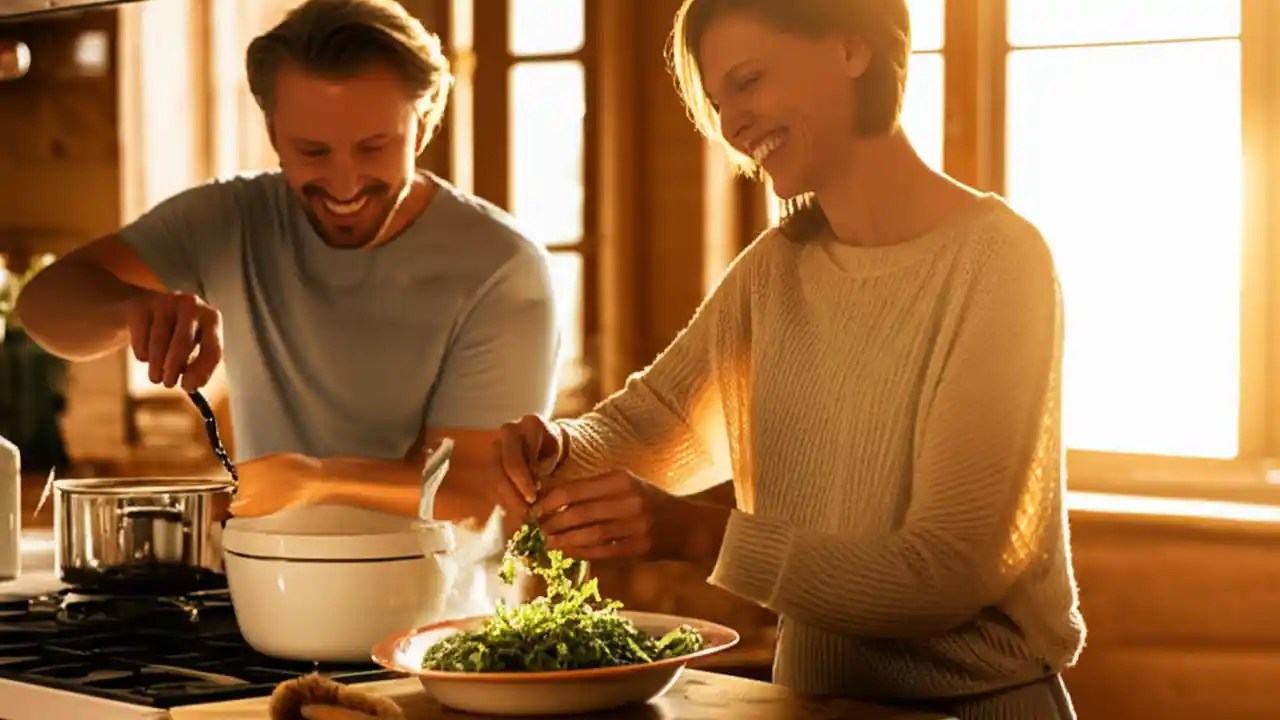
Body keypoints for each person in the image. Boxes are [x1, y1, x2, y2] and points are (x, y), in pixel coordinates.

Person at [496, 1, 1086, 718]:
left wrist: (692, 533)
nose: (731, 123)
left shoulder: (998, 262)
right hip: (805, 704)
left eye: (749, 81)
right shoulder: (774, 271)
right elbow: (657, 423)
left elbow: (943, 574)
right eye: (717, 101)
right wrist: (558, 448)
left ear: (851, 48)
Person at [15, 0, 559, 532]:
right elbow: (44, 306)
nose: (344, 185)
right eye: (313, 151)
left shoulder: (503, 268)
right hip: (265, 598)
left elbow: (482, 500)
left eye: (374, 148)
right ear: (273, 134)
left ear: (422, 126)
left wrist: (317, 481)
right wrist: (133, 308)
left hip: (443, 616)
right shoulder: (230, 218)